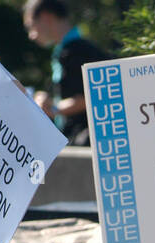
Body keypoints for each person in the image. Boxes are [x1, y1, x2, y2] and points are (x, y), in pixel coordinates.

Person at [23, 0, 111, 146]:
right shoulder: (66, 51)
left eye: (31, 26)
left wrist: (54, 109)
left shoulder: (79, 50)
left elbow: (91, 96)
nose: (31, 35)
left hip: (87, 141)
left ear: (46, 17)